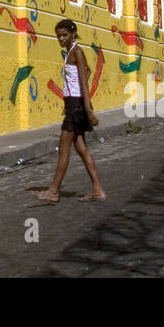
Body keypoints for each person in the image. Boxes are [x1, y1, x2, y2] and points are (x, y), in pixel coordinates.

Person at [36, 19, 106, 203]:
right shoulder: (71, 51)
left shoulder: (77, 51)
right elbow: (87, 72)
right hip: (73, 104)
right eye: (58, 36)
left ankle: (53, 191)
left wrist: (88, 109)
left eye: (64, 35)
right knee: (81, 148)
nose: (61, 39)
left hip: (76, 106)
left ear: (73, 33)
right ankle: (98, 190)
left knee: (64, 149)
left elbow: (84, 79)